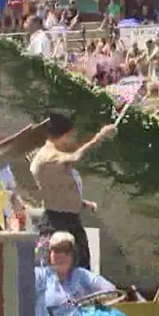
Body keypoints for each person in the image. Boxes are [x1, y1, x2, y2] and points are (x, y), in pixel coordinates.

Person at [30, 112, 116, 271]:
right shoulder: (48, 156)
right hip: (56, 223)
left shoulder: (52, 156)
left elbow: (58, 189)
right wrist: (100, 137)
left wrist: (82, 203)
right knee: (58, 271)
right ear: (66, 134)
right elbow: (74, 158)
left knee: (81, 271)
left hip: (70, 220)